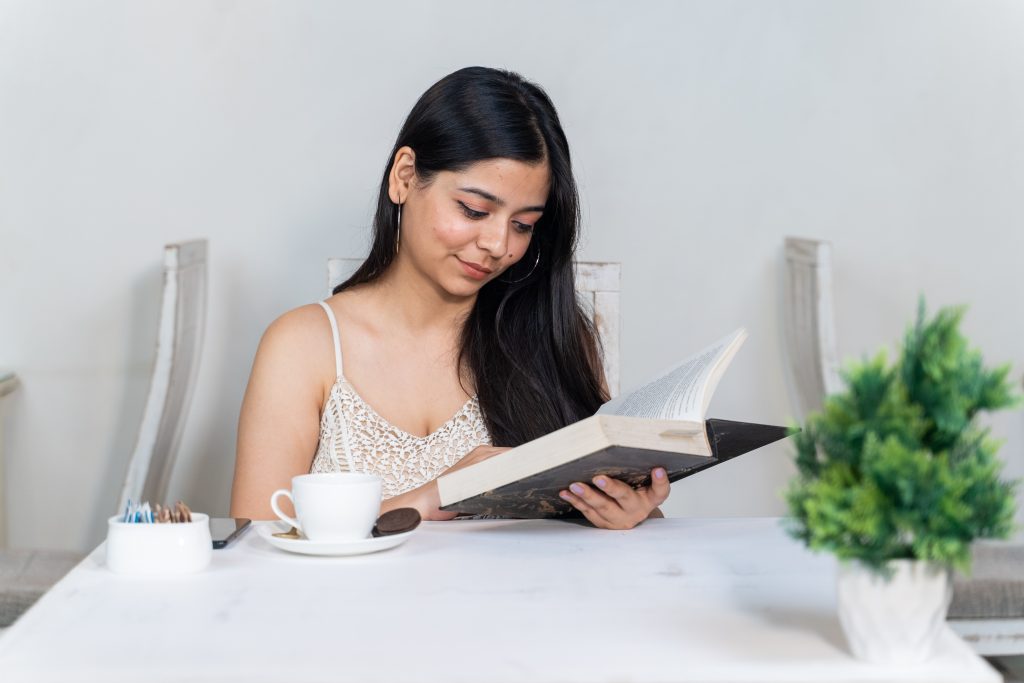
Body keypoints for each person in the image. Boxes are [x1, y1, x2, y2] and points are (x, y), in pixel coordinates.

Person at [230, 66, 669, 529]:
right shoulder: (304, 346)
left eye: (523, 225)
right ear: (404, 177)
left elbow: (613, 514)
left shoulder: (553, 338)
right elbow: (256, 541)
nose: (498, 244)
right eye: (474, 210)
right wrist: (433, 497)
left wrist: (631, 512)